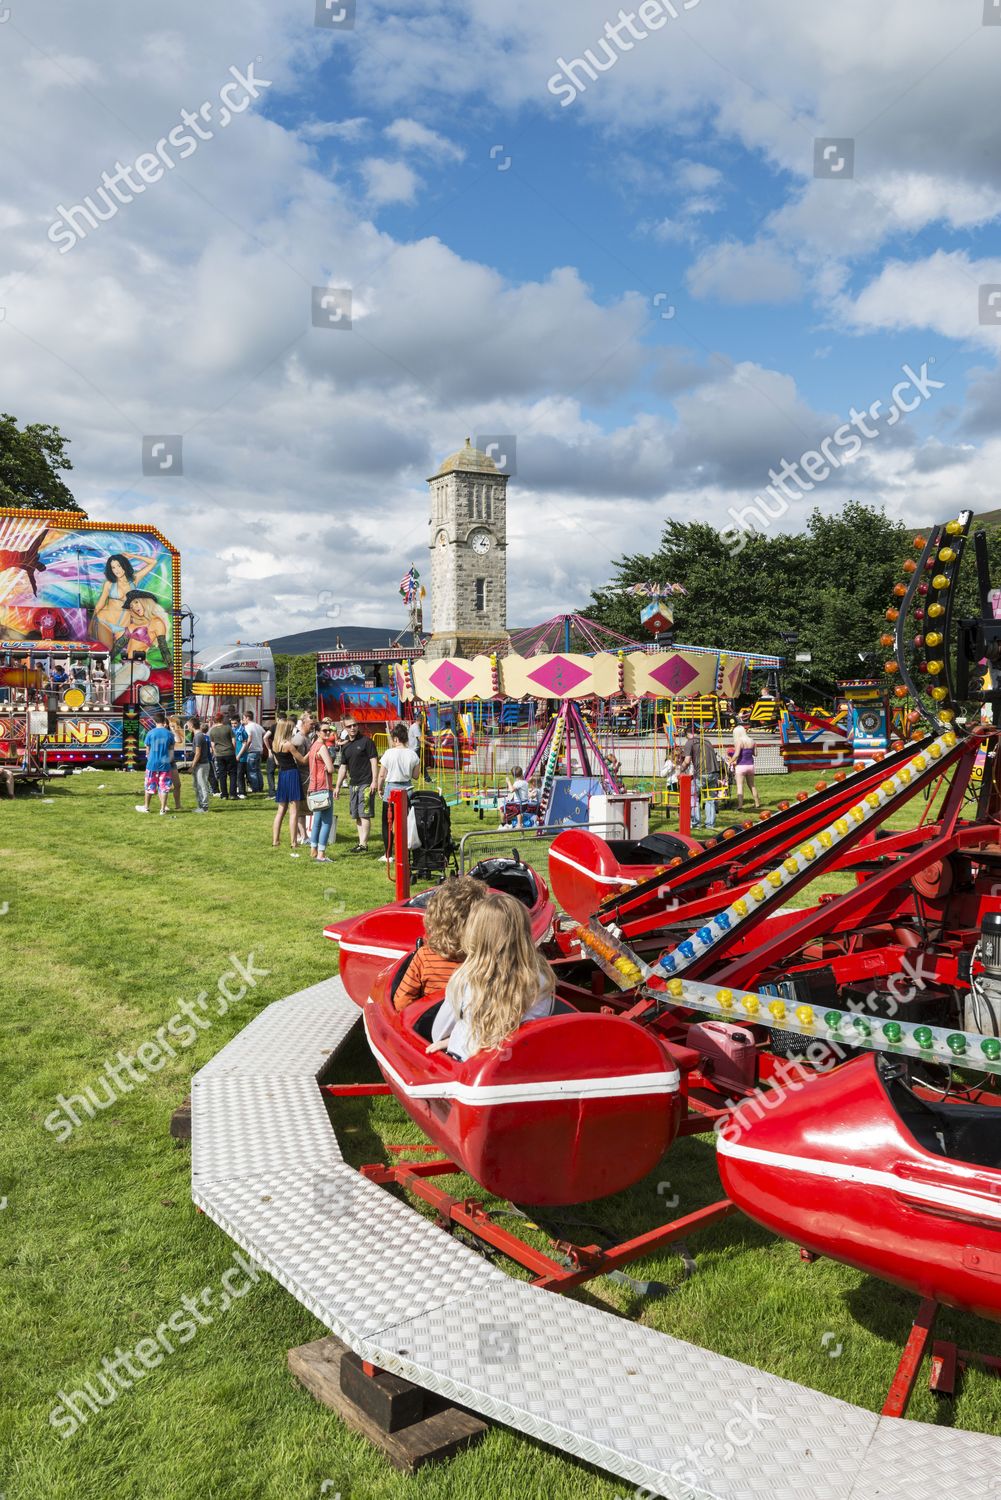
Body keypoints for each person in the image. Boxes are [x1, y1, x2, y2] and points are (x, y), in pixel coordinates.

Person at [427, 891, 556, 1061]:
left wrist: (455, 1038)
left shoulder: (465, 978)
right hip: (520, 1064)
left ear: (476, 934)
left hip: (468, 1065)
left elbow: (439, 1032)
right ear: (524, 931)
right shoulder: (543, 979)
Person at [392, 877, 489, 1010]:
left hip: (430, 1026)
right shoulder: (484, 958)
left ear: (435, 919)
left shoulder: (424, 957)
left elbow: (402, 1000)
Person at [334, 717, 378, 854]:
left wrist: (375, 781)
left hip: (366, 783)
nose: (352, 728)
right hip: (353, 784)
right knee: (357, 815)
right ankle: (361, 843)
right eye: (349, 726)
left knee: (364, 814)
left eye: (354, 725)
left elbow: (374, 761)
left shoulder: (366, 742)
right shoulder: (345, 746)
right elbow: (342, 768)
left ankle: (364, 844)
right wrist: (337, 786)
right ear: (345, 728)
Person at [377, 722, 420, 862]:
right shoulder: (413, 754)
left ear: (395, 739)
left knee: (388, 822)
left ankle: (388, 854)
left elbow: (382, 774)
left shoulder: (389, 753)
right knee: (407, 822)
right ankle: (406, 852)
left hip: (391, 789)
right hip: (407, 788)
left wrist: (379, 787)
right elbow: (416, 775)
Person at [305, 721, 337, 862]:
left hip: (314, 786)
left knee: (317, 820)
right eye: (324, 730)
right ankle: (321, 853)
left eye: (329, 730)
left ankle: (313, 849)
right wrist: (328, 766)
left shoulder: (313, 746)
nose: (328, 733)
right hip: (324, 786)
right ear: (318, 732)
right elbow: (330, 769)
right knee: (326, 821)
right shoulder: (322, 747)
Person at [680, 723, 721, 829]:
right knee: (710, 799)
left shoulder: (690, 742)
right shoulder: (707, 741)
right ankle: (710, 824)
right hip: (714, 772)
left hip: (701, 774)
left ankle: (696, 822)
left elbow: (687, 760)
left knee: (694, 797)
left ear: (687, 734)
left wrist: (680, 770)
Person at [271, 717, 304, 851]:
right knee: (294, 812)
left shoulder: (275, 743)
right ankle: (293, 842)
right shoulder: (288, 745)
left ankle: (275, 840)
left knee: (280, 811)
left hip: (282, 775)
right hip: (292, 774)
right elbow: (302, 760)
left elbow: (278, 762)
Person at [136, 709, 175, 816]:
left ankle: (146, 807)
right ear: (164, 721)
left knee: (149, 786)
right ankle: (162, 809)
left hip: (152, 763)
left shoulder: (150, 733)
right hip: (165, 764)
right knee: (164, 788)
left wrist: (149, 758)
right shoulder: (170, 734)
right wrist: (169, 761)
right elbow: (171, 751)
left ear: (154, 721)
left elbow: (147, 750)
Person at [292, 711, 317, 844]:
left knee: (303, 807)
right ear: (304, 723)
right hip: (300, 776)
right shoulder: (299, 738)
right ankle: (302, 836)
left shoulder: (306, 737)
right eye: (311, 724)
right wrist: (312, 751)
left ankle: (302, 835)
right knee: (300, 807)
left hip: (306, 776)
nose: (313, 726)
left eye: (314, 724)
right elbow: (299, 760)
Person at [728, 711, 761, 811]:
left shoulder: (739, 741)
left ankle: (740, 806)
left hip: (741, 766)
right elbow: (755, 754)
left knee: (740, 786)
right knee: (752, 785)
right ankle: (757, 803)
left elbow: (737, 754)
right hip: (750, 765)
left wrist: (730, 761)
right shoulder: (752, 741)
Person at [209, 710, 237, 800]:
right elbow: (233, 741)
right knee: (232, 774)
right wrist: (233, 750)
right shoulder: (228, 728)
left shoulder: (212, 731)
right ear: (222, 719)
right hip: (229, 753)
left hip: (219, 754)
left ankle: (224, 794)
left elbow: (212, 744)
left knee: (222, 775)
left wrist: (215, 753)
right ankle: (233, 794)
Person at [189, 714, 211, 812]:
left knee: (202, 785)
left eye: (188, 725)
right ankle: (201, 806)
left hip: (201, 765)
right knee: (198, 785)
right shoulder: (199, 736)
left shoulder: (198, 736)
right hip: (202, 764)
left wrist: (192, 766)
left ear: (192, 725)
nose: (188, 728)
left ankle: (204, 807)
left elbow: (198, 754)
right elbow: (197, 752)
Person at [242, 710, 265, 793]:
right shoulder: (258, 726)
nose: (243, 720)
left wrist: (245, 749)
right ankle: (260, 787)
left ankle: (255, 788)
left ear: (247, 718)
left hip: (252, 751)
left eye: (243, 718)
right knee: (258, 770)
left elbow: (249, 738)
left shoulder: (248, 727)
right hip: (259, 750)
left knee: (252, 771)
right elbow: (264, 734)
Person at [168, 713, 184, 811]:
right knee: (164, 786)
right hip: (164, 762)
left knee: (177, 784)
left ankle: (178, 805)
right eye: (170, 724)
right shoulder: (165, 734)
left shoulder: (171, 734)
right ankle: (164, 806)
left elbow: (179, 740)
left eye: (173, 724)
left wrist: (174, 730)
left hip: (172, 762)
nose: (172, 725)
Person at [230, 713, 248, 799]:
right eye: (232, 723)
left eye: (235, 723)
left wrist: (239, 755)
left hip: (241, 756)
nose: (233, 725)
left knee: (240, 774)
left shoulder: (242, 731)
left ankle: (242, 792)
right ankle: (238, 789)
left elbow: (245, 744)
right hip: (234, 755)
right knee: (235, 774)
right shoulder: (232, 731)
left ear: (239, 722)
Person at [263, 719, 277, 797]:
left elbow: (265, 737)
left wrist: (269, 749)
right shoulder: (289, 726)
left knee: (270, 772)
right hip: (285, 750)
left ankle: (272, 792)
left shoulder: (274, 726)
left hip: (274, 751)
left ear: (277, 719)